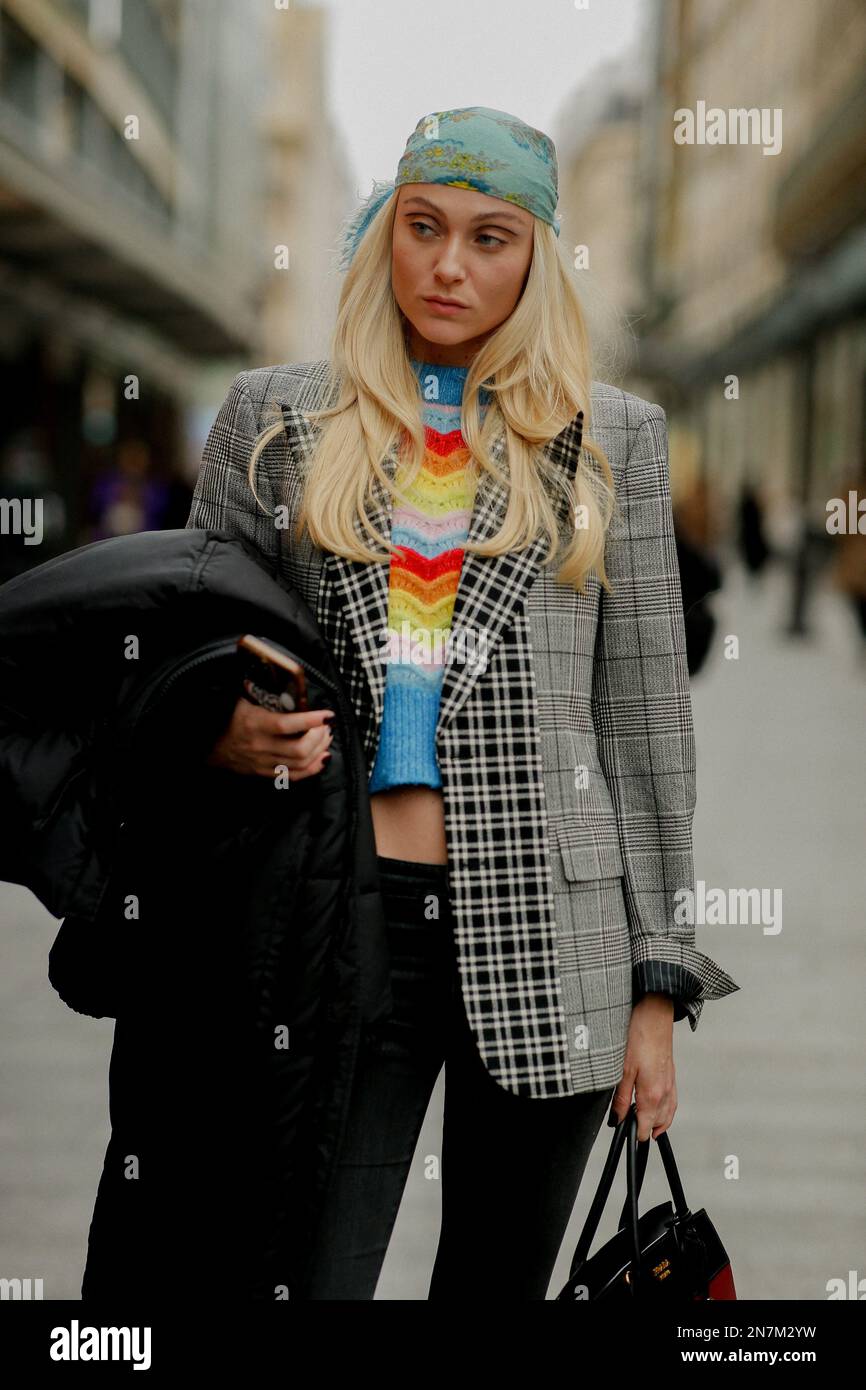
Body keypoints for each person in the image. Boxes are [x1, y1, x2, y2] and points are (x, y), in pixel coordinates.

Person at [187, 105, 739, 1300]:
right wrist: (219, 729)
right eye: (423, 227)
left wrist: (658, 983)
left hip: (557, 937)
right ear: (382, 232)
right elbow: (189, 648)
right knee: (301, 1273)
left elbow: (646, 723)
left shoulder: (612, 440)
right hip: (345, 923)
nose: (449, 264)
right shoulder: (275, 419)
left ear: (536, 256)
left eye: (491, 237)